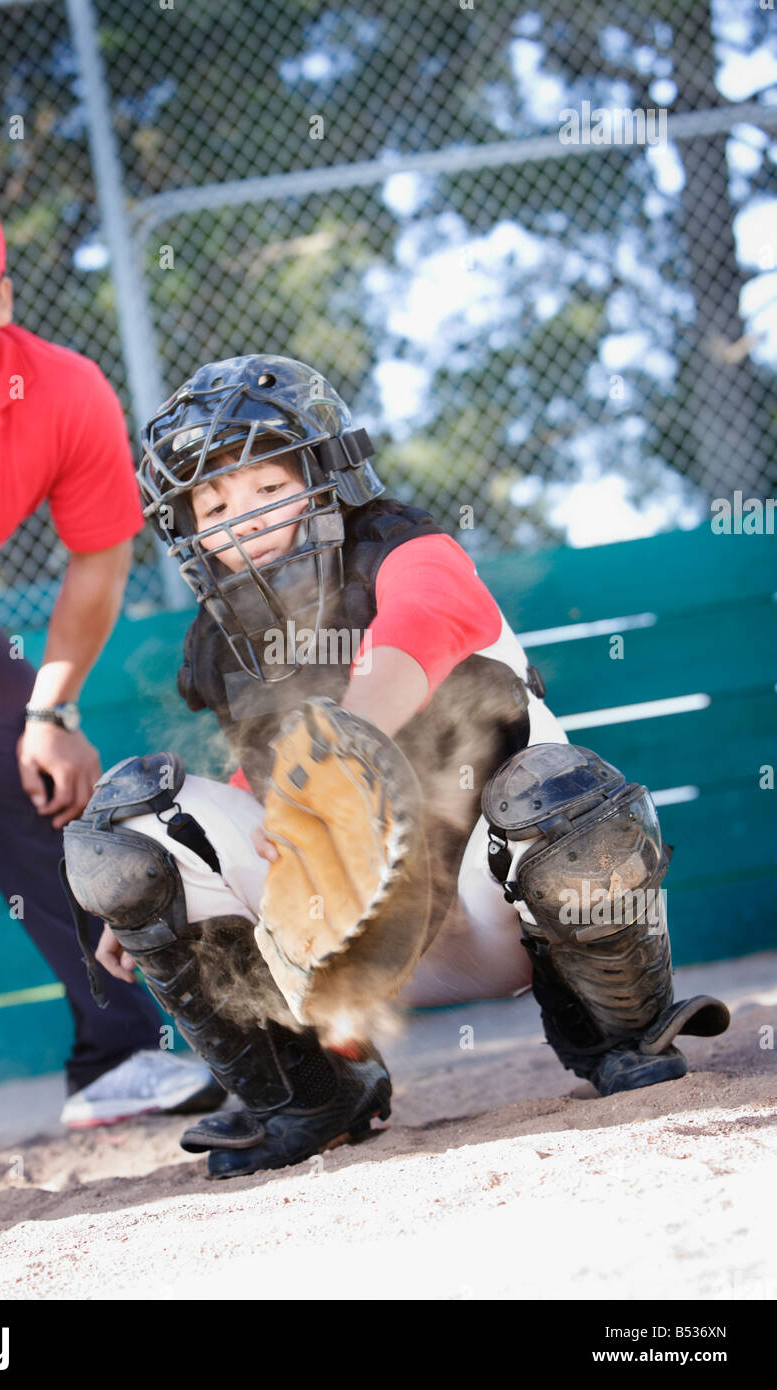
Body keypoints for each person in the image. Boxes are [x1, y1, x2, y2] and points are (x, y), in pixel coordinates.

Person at [63, 353, 730, 1181]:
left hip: (505, 914)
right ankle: (310, 1091)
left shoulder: (403, 548)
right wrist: (148, 901)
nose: (243, 519)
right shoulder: (217, 639)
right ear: (184, 528)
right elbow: (247, 790)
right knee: (130, 829)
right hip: (344, 950)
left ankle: (620, 1031)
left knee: (556, 792)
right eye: (214, 503)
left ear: (328, 472)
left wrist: (341, 745)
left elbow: (410, 636)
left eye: (268, 488)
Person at [0, 189, 219, 1188]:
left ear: (3, 297)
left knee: (47, 786)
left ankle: (117, 1058)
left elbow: (97, 560)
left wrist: (52, 708)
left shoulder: (63, 392)